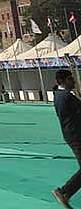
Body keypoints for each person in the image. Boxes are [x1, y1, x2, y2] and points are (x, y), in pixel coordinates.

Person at [51, 70, 81, 207]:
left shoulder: (58, 95)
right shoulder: (66, 97)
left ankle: (66, 193)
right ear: (62, 81)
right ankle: (64, 192)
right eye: (70, 79)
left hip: (72, 135)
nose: (73, 81)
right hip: (76, 136)